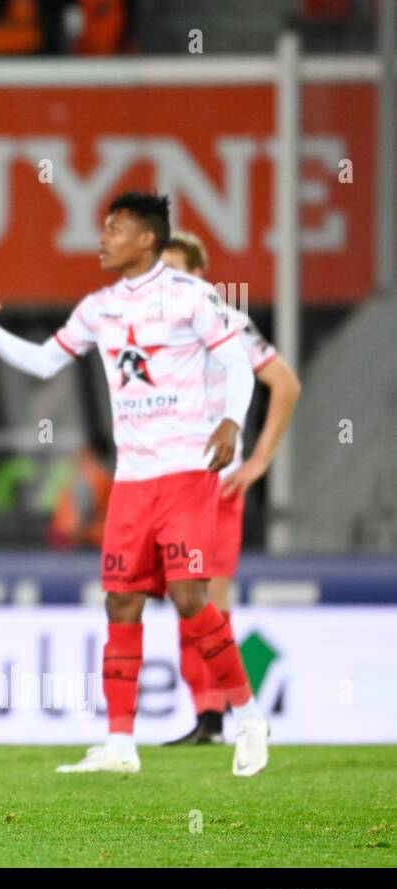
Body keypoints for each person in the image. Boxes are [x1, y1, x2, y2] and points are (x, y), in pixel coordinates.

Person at [0, 191, 270, 776]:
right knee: (120, 603)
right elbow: (45, 361)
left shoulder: (192, 296)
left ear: (146, 239)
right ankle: (121, 746)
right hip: (131, 480)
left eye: (115, 228)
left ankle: (250, 719)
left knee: (188, 600)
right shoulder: (98, 307)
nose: (102, 238)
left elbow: (236, 364)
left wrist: (230, 420)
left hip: (184, 472)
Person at [160, 231, 301, 745]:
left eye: (178, 272)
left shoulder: (226, 321)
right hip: (171, 487)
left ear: (200, 275)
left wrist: (260, 459)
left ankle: (224, 714)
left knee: (209, 601)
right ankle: (207, 716)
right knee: (185, 599)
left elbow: (284, 381)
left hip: (217, 488)